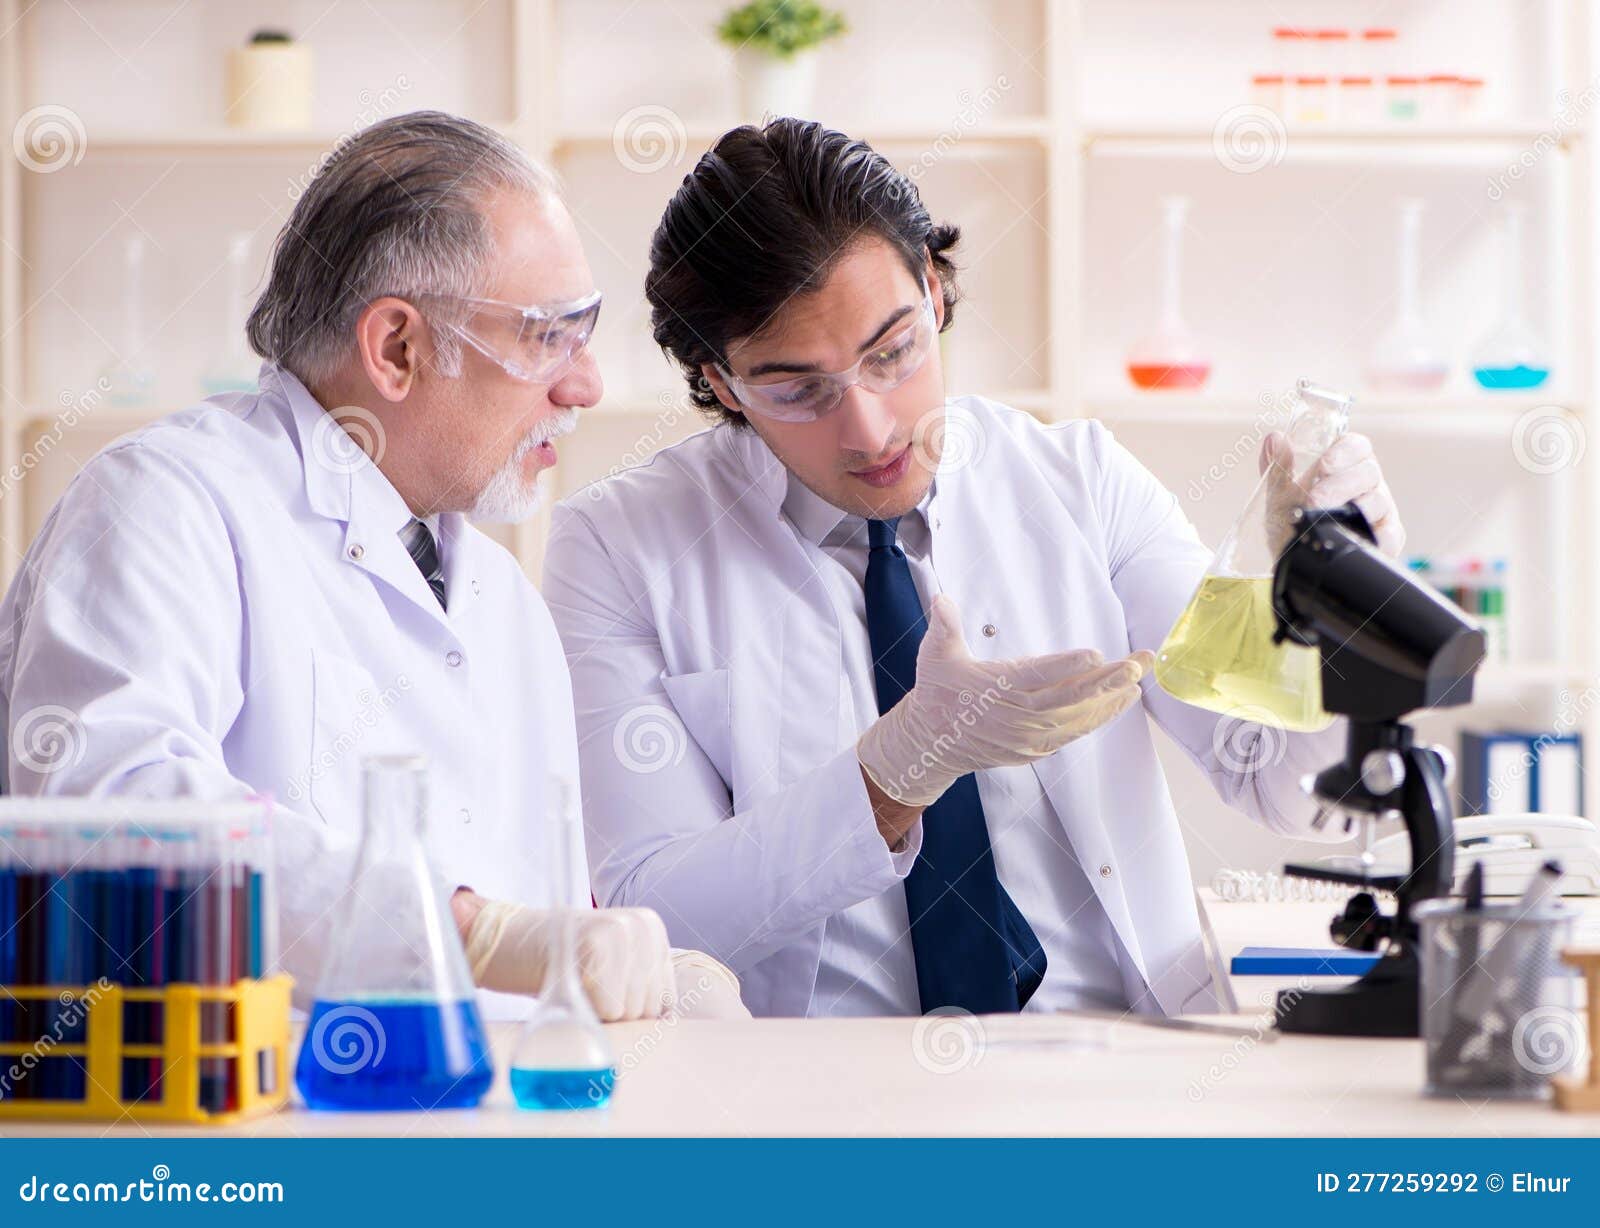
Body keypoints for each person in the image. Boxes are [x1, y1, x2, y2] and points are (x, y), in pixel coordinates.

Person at [542, 118, 1405, 1019]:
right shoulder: (620, 547)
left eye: (894, 352)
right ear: (722, 384)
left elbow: (1288, 788)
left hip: (1114, 1068)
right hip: (817, 1099)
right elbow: (656, 923)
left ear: (932, 289)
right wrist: (890, 775)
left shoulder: (1082, 485)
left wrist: (1341, 600)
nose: (870, 429)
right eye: (798, 390)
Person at [0, 111, 745, 1021]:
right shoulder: (168, 501)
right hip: (247, 1149)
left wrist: (653, 985)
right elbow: (112, 820)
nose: (584, 385)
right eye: (549, 337)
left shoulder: (500, 596)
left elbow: (537, 925)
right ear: (398, 348)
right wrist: (467, 934)